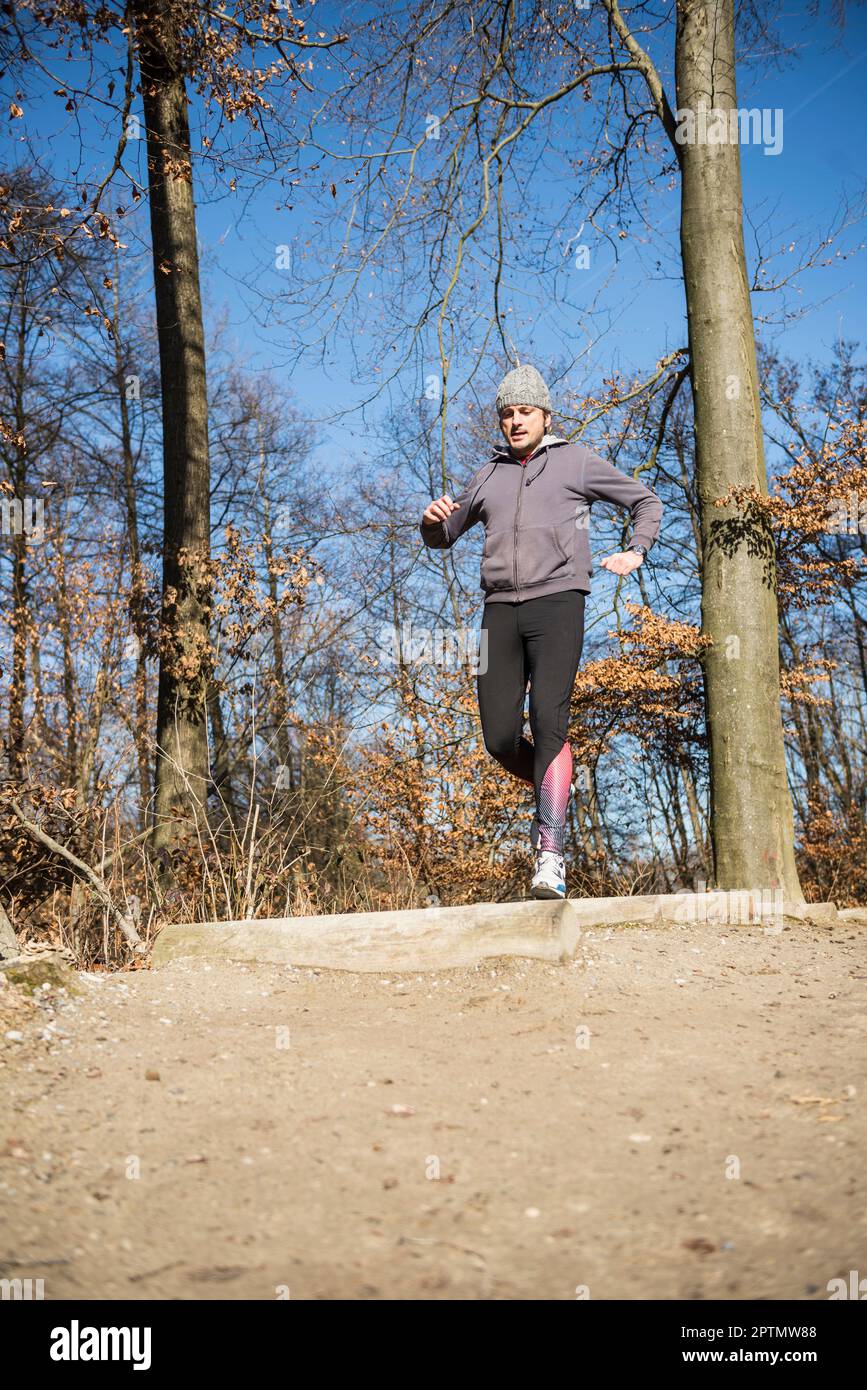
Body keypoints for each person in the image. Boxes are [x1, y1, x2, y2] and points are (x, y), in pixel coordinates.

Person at [419, 363, 663, 899]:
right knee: (498, 737)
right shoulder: (486, 475)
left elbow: (646, 501)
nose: (514, 421)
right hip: (498, 610)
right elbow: (444, 536)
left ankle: (549, 853)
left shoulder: (575, 461)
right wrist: (432, 519)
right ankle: (557, 784)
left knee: (550, 721)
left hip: (558, 604)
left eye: (524, 411)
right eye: (506, 413)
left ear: (544, 415)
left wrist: (636, 550)